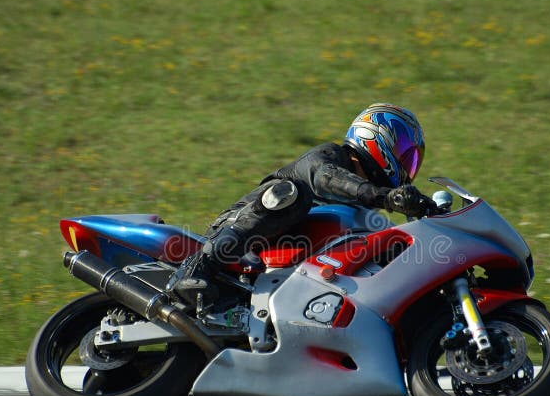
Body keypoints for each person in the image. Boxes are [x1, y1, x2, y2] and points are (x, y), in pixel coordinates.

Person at [170, 103, 436, 304]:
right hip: (239, 235)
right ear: (377, 135)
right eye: (404, 151)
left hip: (285, 268)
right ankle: (200, 264)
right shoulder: (330, 158)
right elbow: (325, 177)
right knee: (293, 194)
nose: (406, 164)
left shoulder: (363, 214)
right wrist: (385, 196)